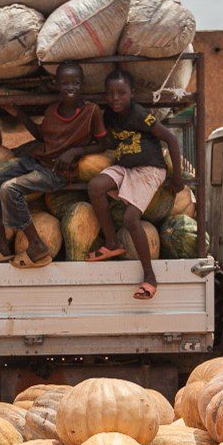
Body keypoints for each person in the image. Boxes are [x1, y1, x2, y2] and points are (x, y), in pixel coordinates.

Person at [0, 62, 106, 268]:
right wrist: (18, 113)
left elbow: (105, 143)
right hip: (36, 160)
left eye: (75, 83)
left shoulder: (92, 112)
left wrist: (77, 151)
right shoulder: (52, 111)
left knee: (10, 189)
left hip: (57, 172)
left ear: (82, 84)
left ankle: (37, 244)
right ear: (57, 85)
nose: (70, 88)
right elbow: (41, 136)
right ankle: (2, 246)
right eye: (65, 83)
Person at [85, 70, 184, 300]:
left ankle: (150, 276)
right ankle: (112, 242)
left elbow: (171, 138)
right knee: (95, 186)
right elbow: (105, 141)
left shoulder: (140, 114)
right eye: (110, 93)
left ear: (132, 94)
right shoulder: (107, 115)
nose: (115, 98)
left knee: (130, 218)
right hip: (125, 168)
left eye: (121, 92)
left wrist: (177, 177)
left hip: (149, 169)